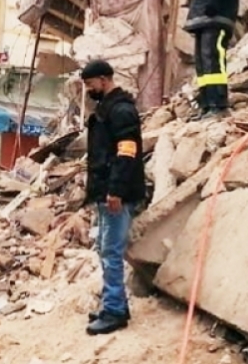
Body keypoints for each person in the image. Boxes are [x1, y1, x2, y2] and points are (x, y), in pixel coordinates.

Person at [80, 60, 145, 337]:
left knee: (112, 253)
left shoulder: (121, 111)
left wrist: (116, 191)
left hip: (116, 194)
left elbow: (126, 153)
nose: (88, 89)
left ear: (104, 80)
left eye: (90, 84)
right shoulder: (108, 109)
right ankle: (114, 303)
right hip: (105, 192)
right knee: (105, 249)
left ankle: (115, 311)